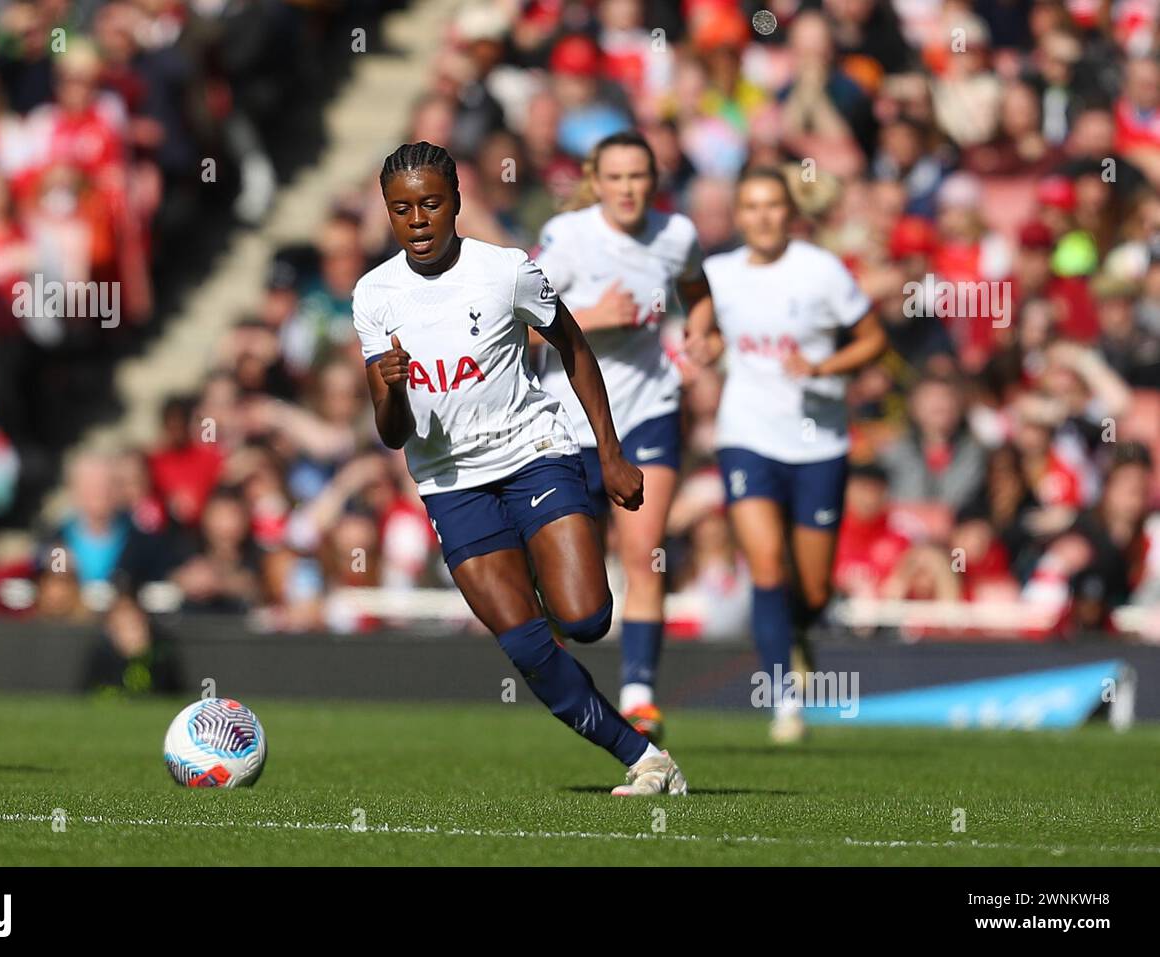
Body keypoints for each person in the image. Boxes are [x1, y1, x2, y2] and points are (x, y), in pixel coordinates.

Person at [353, 141, 686, 795]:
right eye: (401, 209)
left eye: (430, 204)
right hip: (451, 483)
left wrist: (611, 453)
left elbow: (574, 346)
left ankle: (549, 578)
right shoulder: (374, 295)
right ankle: (647, 760)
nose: (417, 219)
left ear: (455, 204)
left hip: (534, 454)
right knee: (528, 648)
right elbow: (392, 435)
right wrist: (389, 387)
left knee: (586, 618)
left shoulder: (504, 270)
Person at [684, 167, 887, 743]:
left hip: (817, 441)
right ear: (739, 214)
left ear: (789, 212)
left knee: (815, 589)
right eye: (751, 206)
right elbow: (713, 336)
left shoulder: (820, 270)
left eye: (773, 205)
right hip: (746, 435)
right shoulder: (717, 274)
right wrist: (704, 346)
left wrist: (821, 368)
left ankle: (798, 634)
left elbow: (872, 340)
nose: (762, 217)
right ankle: (785, 700)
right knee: (766, 563)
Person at [534, 130, 707, 744]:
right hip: (572, 419)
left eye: (639, 177)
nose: (628, 189)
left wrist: (704, 332)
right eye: (616, 178)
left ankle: (640, 696)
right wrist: (595, 318)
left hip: (649, 410)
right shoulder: (568, 239)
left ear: (653, 182)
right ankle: (566, 648)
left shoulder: (677, 235)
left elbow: (696, 289)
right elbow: (516, 332)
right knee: (578, 602)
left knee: (644, 551)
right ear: (595, 180)